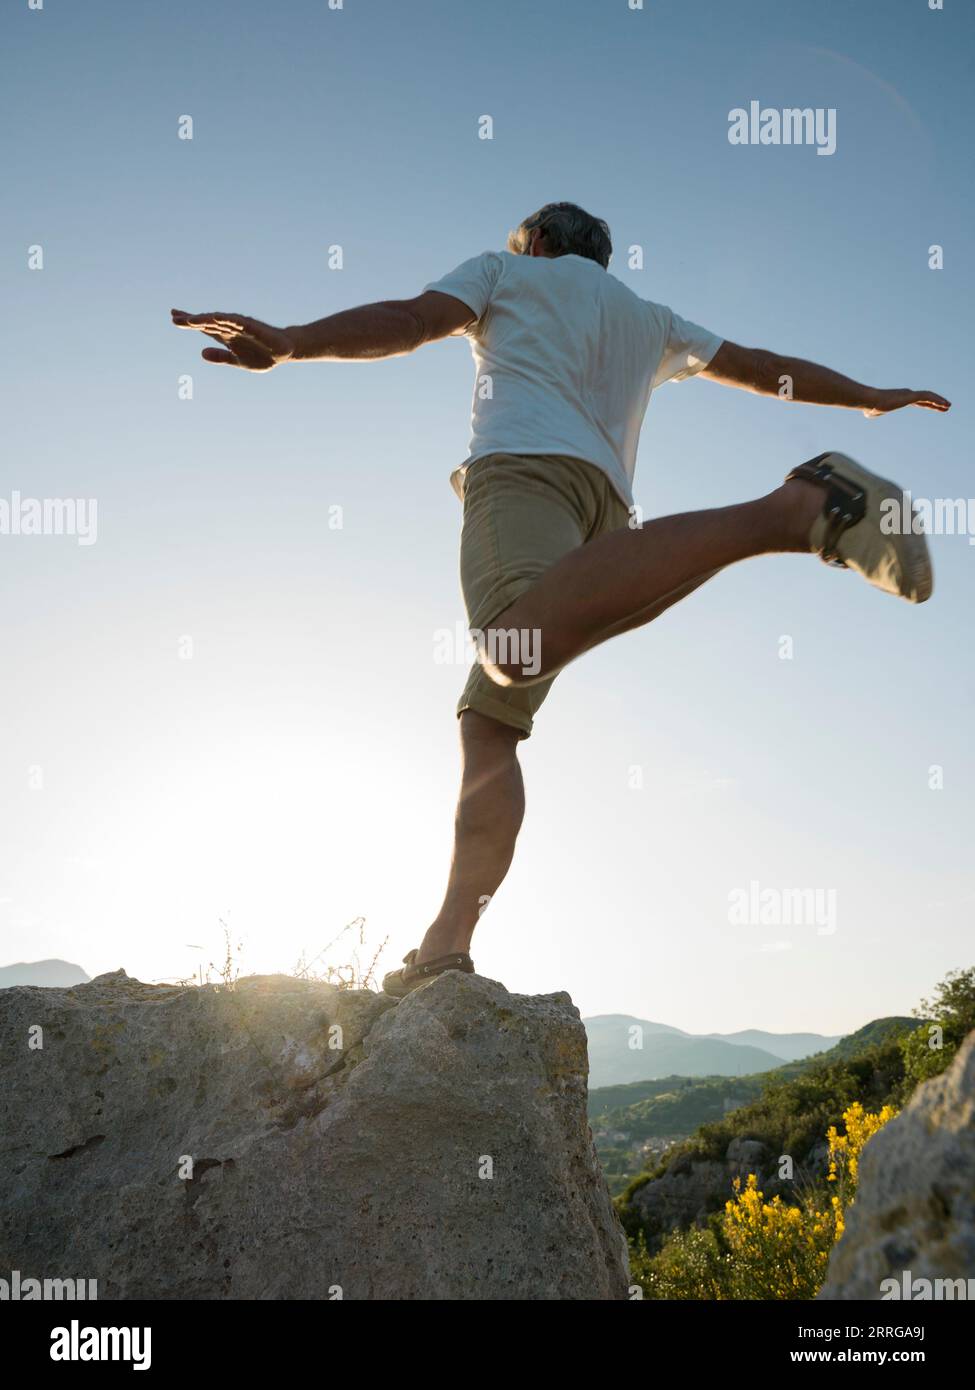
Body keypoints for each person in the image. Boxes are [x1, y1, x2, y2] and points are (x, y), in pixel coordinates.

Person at [171, 201, 951, 998]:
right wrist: (866, 393)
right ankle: (445, 946)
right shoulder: (647, 317)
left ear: (537, 242)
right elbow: (761, 367)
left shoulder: (504, 270)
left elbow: (410, 320)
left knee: (512, 647)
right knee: (490, 724)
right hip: (606, 517)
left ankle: (795, 510)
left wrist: (295, 343)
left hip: (523, 477)